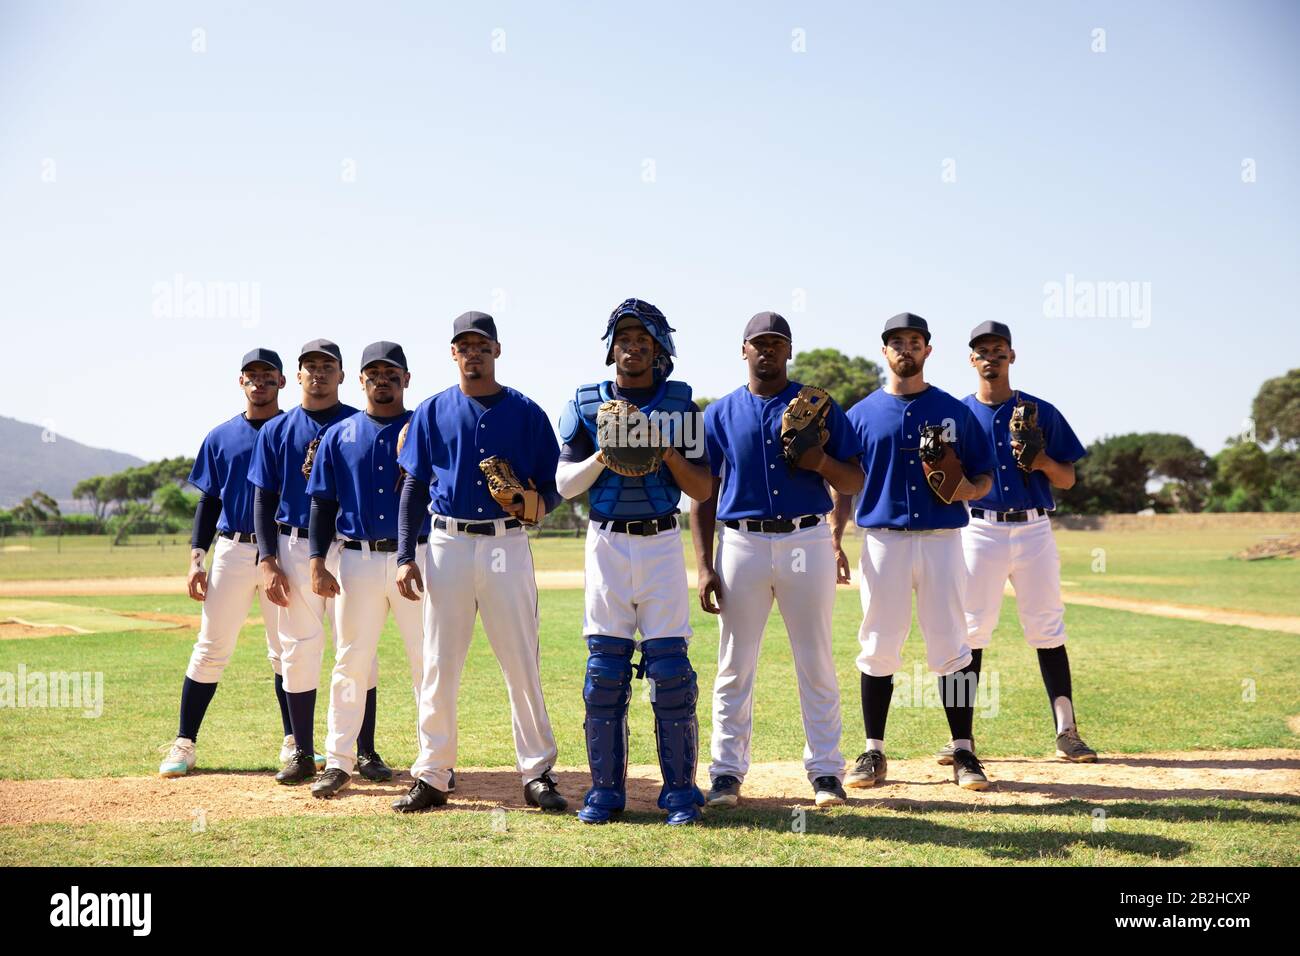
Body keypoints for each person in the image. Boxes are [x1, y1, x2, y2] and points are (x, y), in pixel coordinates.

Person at [392, 311, 568, 813]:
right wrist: (406, 555)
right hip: (445, 541)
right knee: (439, 663)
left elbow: (551, 487)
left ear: (497, 350)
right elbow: (413, 486)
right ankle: (433, 774)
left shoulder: (526, 412)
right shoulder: (431, 411)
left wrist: (534, 505)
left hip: (504, 543)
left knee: (520, 660)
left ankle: (537, 773)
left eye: (481, 344)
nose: (473, 352)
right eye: (464, 345)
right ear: (453, 353)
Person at [692, 311, 864, 809]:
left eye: (776, 343)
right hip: (741, 543)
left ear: (789, 351)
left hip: (805, 539)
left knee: (815, 659)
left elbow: (853, 480)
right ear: (742, 350)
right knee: (733, 665)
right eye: (758, 343)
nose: (767, 350)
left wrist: (822, 464)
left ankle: (827, 771)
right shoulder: (718, 414)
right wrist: (704, 564)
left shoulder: (819, 407)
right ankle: (726, 773)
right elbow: (703, 495)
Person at [556, 298, 714, 825]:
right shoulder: (585, 404)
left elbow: (703, 487)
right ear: (611, 348)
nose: (632, 346)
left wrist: (663, 449)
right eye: (624, 338)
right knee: (604, 672)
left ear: (659, 349)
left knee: (670, 671)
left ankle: (680, 794)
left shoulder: (680, 407)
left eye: (643, 339)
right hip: (605, 543)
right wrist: (604, 453)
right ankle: (605, 792)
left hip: (662, 541)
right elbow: (562, 485)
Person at [831, 313, 997, 792]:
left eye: (915, 341)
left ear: (928, 350)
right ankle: (873, 751)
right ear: (884, 352)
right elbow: (845, 485)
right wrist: (833, 536)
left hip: (944, 540)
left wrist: (969, 487)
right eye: (897, 342)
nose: (906, 348)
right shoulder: (860, 414)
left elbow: (984, 474)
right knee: (879, 643)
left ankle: (964, 749)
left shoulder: (953, 411)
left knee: (951, 644)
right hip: (882, 540)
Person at [945, 320, 1097, 764]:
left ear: (1012, 356)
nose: (991, 357)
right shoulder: (956, 414)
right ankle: (962, 742)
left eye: (998, 349)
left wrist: (1043, 459)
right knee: (969, 632)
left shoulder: (1039, 410)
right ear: (971, 360)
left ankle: (1067, 732)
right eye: (982, 351)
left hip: (1033, 528)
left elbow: (1067, 478)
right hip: (978, 528)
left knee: (1048, 628)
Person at [305, 341, 430, 799]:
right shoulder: (340, 434)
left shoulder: (424, 428)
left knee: (426, 662)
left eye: (391, 372)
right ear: (360, 380)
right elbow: (322, 503)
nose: (383, 379)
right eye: (373, 372)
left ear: (406, 379)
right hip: (355, 558)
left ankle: (433, 763)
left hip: (415, 557)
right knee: (350, 662)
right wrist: (317, 561)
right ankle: (338, 762)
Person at [159, 348, 291, 778]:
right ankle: (184, 742)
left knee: (287, 650)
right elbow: (208, 502)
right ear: (241, 382)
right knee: (211, 648)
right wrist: (197, 559)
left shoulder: (295, 431)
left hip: (284, 550)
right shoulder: (221, 437)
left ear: (281, 382)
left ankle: (295, 743)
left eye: (268, 376)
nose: (259, 382)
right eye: (251, 376)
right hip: (233, 549)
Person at [249, 339, 360, 785]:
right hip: (293, 545)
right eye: (309, 366)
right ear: (295, 376)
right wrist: (267, 559)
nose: (318, 373)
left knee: (356, 651)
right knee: (298, 648)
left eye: (327, 366)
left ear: (341, 374)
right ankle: (301, 751)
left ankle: (362, 751)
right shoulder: (277, 429)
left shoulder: (357, 423)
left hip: (350, 545)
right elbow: (263, 497)